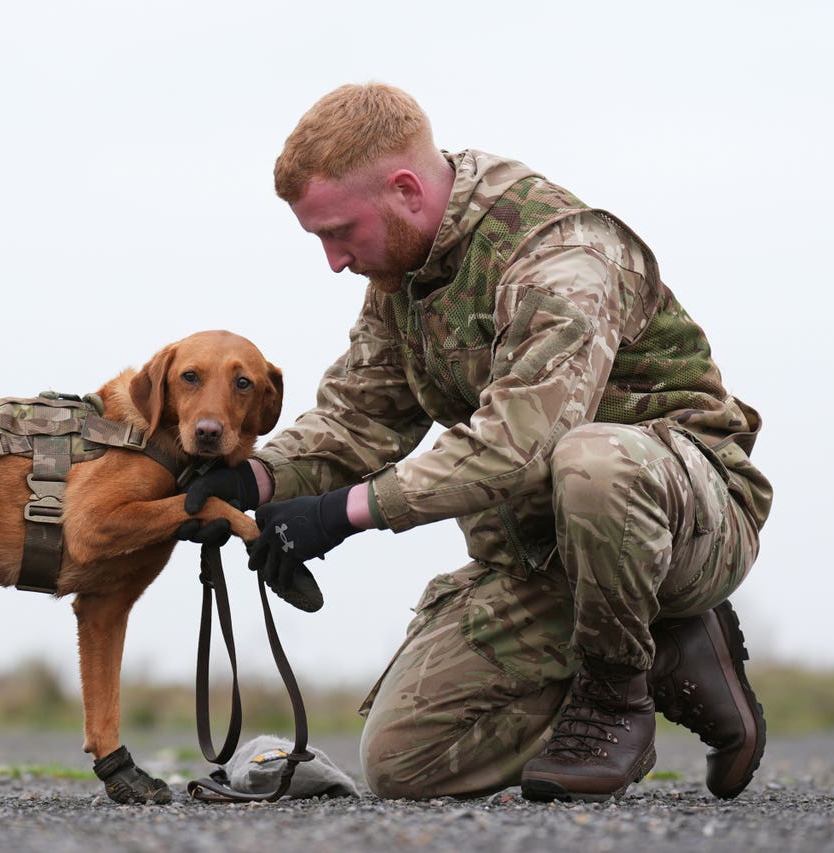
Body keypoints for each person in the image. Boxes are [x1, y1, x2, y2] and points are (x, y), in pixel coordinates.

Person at [182, 82, 772, 803]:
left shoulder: (562, 257)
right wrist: (253, 483)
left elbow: (521, 443)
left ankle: (618, 695)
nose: (334, 260)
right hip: (542, 557)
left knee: (593, 465)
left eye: (339, 232)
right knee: (403, 765)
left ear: (404, 189)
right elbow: (357, 420)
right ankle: (669, 643)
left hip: (686, 521)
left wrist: (339, 514)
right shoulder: (403, 277)